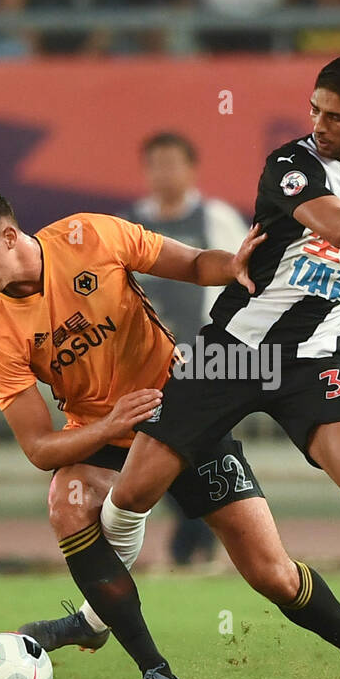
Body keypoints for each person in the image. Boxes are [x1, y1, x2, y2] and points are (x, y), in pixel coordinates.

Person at [0, 186, 340, 679]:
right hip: (102, 439)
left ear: (9, 237)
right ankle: (157, 674)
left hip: (183, 414)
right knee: (67, 499)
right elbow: (37, 446)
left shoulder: (90, 235)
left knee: (271, 574)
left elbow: (194, 265)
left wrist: (322, 329)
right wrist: (110, 425)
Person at [100, 54, 340, 679]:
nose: (319, 123)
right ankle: (100, 616)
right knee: (136, 490)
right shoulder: (290, 163)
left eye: (336, 115)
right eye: (314, 108)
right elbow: (335, 231)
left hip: (315, 357)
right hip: (233, 349)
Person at [128, 131, 250, 565]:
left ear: (191, 169)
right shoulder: (129, 225)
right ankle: (192, 534)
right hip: (144, 360)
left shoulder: (215, 218)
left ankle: (201, 538)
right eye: (155, 164)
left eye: (171, 163)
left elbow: (246, 276)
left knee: (201, 446)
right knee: (148, 447)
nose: (163, 173)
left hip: (206, 356)